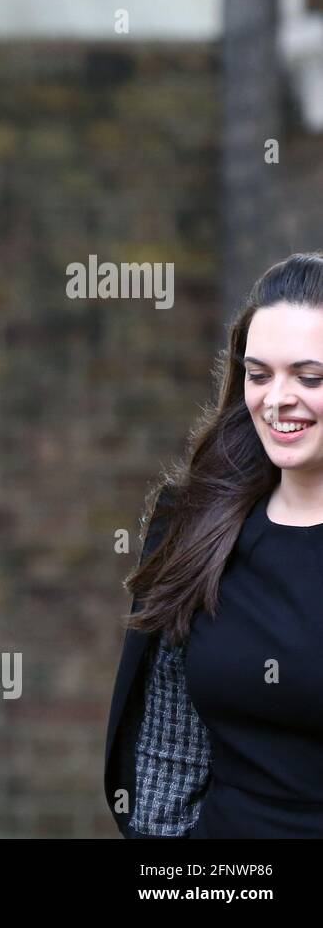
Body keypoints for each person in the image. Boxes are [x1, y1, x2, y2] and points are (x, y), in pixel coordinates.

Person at [104, 251, 323, 838]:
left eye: (309, 377)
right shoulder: (198, 523)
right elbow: (165, 758)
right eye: (259, 374)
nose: (278, 399)